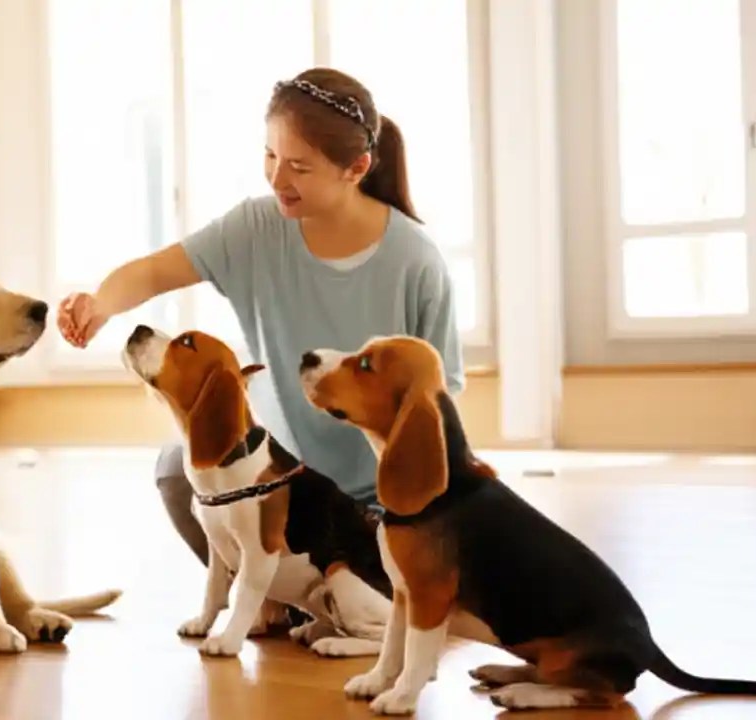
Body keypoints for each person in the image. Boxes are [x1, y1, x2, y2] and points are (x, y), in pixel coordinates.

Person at [57, 67, 465, 565]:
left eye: (299, 166)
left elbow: (443, 403)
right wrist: (99, 304)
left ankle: (325, 585)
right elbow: (154, 272)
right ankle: (287, 588)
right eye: (270, 155)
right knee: (175, 469)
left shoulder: (415, 260)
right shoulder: (255, 228)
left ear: (356, 168)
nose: (277, 177)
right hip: (281, 485)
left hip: (377, 507)